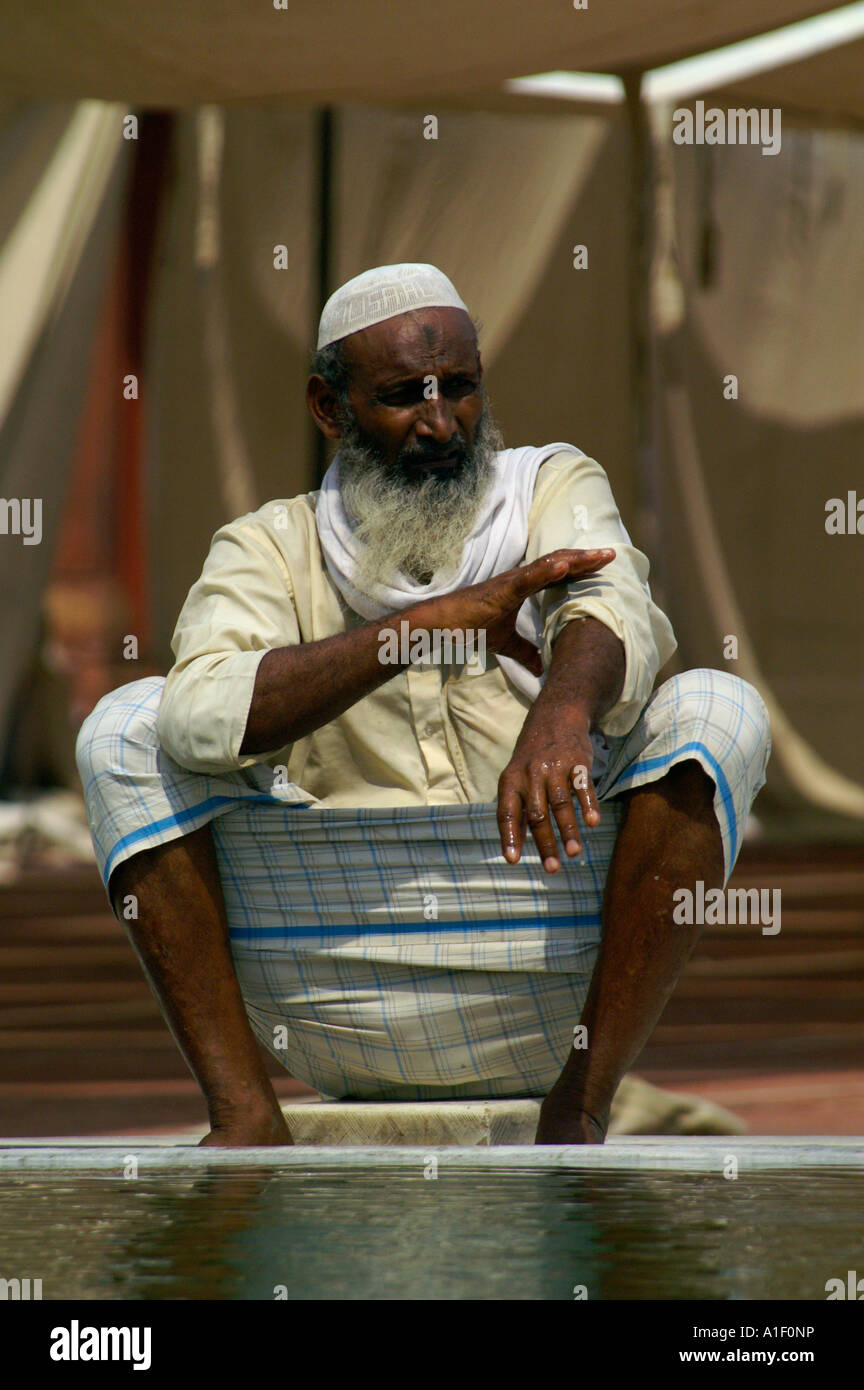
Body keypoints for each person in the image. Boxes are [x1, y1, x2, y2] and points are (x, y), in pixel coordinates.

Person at [76, 263, 771, 1147]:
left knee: (719, 710)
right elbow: (196, 715)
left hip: (547, 972)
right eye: (405, 396)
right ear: (329, 409)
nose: (443, 425)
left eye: (462, 389)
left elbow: (611, 607)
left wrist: (561, 714)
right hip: (334, 984)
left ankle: (581, 1109)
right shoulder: (269, 546)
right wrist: (424, 628)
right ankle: (246, 1114)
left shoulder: (548, 485)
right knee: (122, 728)